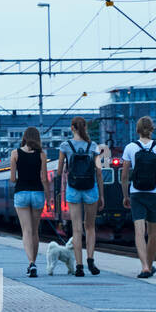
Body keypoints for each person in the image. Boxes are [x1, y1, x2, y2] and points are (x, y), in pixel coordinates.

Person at [119, 115, 156, 278]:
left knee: (139, 231)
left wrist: (125, 195)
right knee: (153, 231)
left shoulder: (130, 147)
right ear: (152, 129)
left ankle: (144, 266)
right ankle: (151, 264)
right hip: (154, 193)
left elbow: (125, 176)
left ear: (137, 130)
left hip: (136, 193)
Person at [57, 116, 103, 277]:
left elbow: (59, 171)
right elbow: (98, 171)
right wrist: (101, 196)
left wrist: (65, 171)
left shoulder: (65, 146)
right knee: (89, 227)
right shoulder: (94, 146)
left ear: (72, 128)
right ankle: (91, 259)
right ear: (85, 128)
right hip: (91, 189)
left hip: (73, 189)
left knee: (76, 229)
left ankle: (79, 266)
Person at [10, 126, 52, 277]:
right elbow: (44, 179)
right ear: (37, 138)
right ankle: (33, 262)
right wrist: (48, 198)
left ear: (24, 137)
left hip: (21, 193)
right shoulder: (42, 154)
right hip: (37, 194)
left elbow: (13, 179)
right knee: (35, 231)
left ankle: (31, 263)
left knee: (26, 232)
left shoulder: (15, 153)